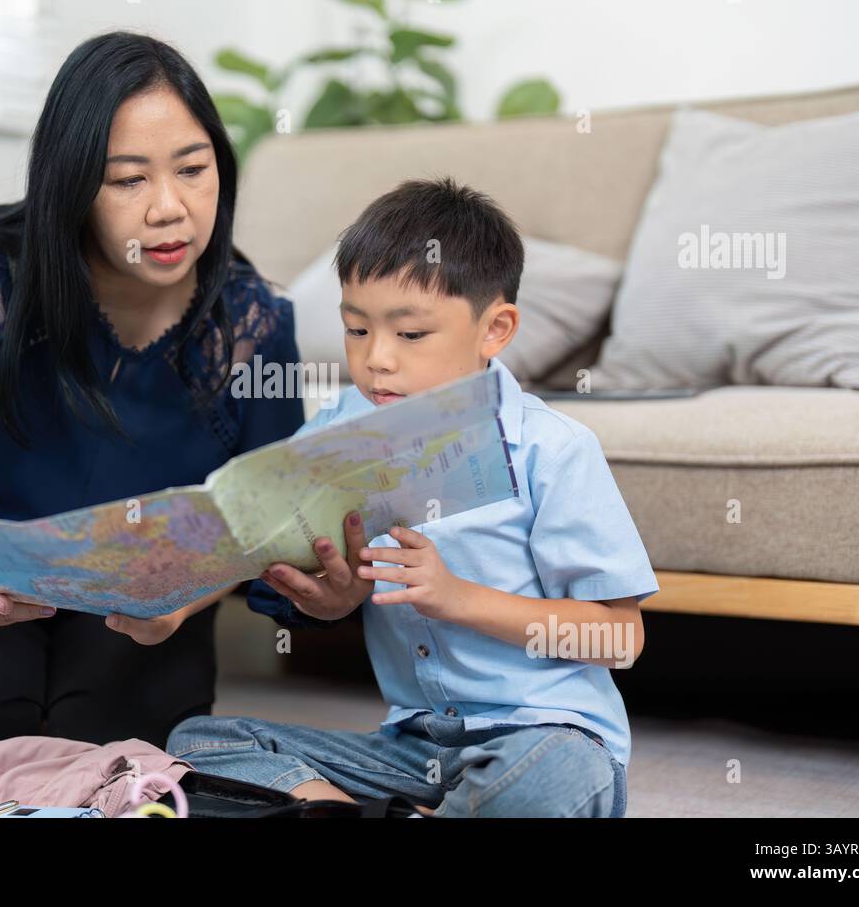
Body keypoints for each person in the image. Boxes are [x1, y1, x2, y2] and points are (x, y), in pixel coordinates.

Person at [0, 31, 303, 771]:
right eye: (127, 181)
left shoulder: (252, 323)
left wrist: (191, 597)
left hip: (137, 621)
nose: (170, 209)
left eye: (193, 168)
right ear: (71, 184)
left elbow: (269, 519)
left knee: (109, 785)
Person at [167, 177, 658, 817]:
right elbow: (285, 549)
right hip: (413, 748)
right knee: (195, 742)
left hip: (542, 735)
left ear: (495, 329)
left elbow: (620, 639)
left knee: (553, 778)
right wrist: (332, 601)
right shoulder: (338, 431)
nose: (377, 361)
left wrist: (461, 600)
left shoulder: (551, 449)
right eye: (356, 330)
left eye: (411, 335)